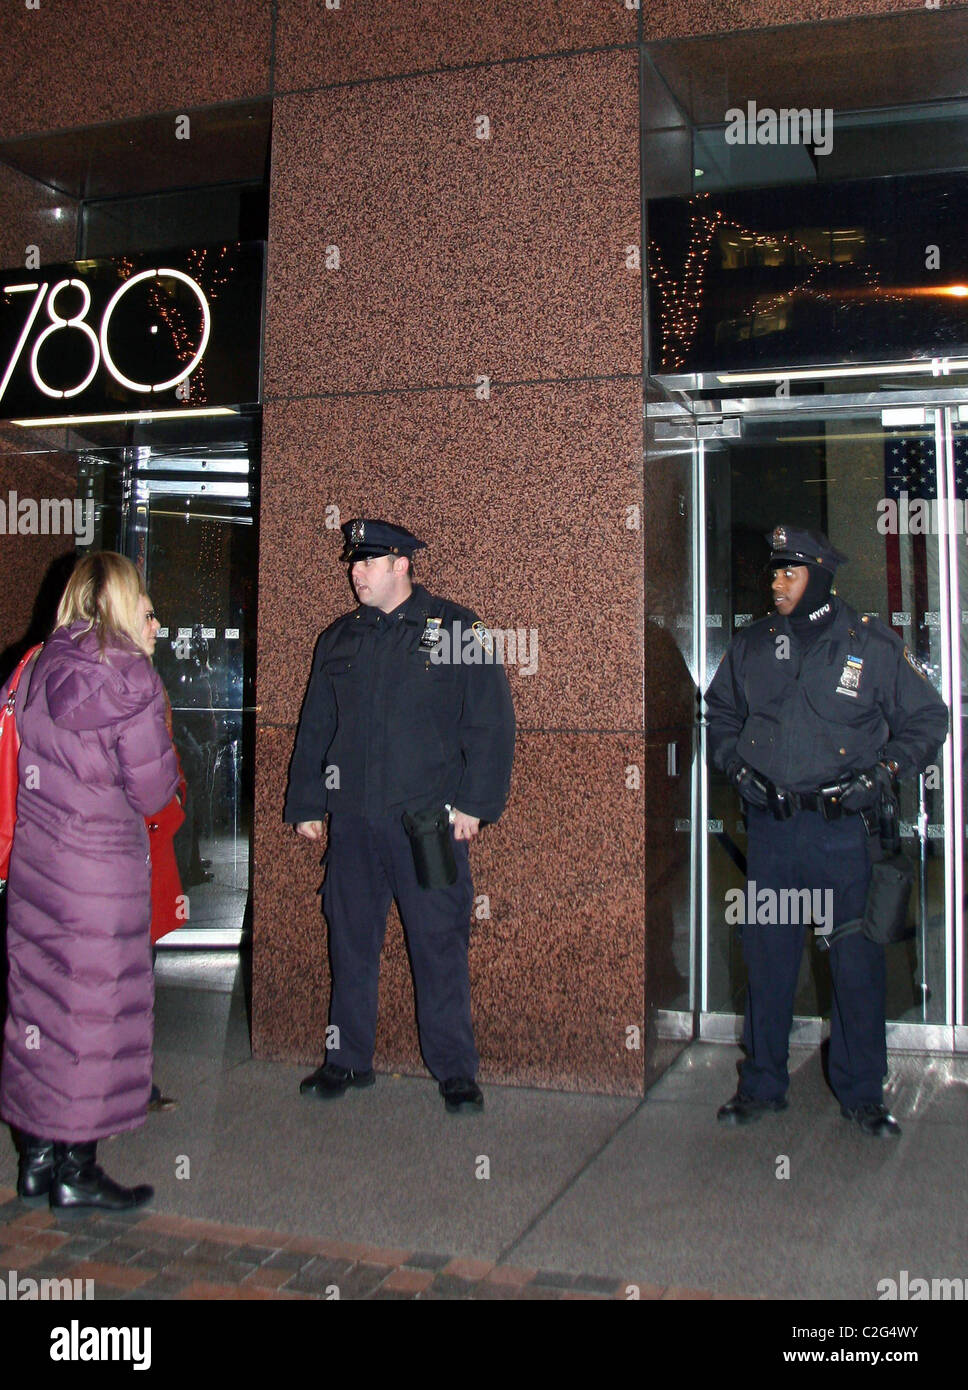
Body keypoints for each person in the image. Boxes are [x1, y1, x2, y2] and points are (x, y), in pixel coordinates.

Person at [704, 525, 948, 1138]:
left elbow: (927, 717)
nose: (777, 582)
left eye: (790, 571)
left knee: (857, 968)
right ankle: (762, 1084)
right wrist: (735, 764)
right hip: (775, 835)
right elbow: (722, 714)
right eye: (774, 570)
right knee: (769, 962)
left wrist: (887, 773)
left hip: (844, 836)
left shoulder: (870, 644)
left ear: (821, 577)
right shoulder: (754, 645)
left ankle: (863, 1094)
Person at [285, 518, 515, 1113]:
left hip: (428, 824)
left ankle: (456, 1072)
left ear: (401, 564)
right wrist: (308, 801)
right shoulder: (338, 638)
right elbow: (316, 727)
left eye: (366, 562)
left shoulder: (456, 628)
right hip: (355, 821)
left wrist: (476, 804)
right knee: (350, 941)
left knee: (439, 944)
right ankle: (346, 1059)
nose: (354, 572)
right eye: (352, 563)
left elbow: (490, 721)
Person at [1, 553, 180, 1207]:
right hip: (99, 878)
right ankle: (77, 1171)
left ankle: (37, 1159)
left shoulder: (36, 664)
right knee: (95, 1017)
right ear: (122, 600)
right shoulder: (127, 674)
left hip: (38, 874)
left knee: (42, 1012)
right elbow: (154, 789)